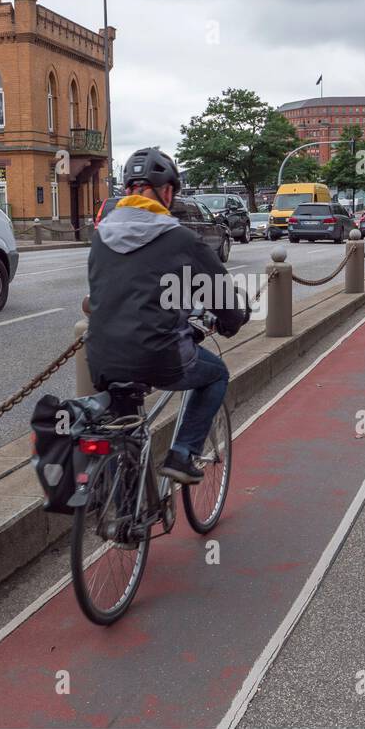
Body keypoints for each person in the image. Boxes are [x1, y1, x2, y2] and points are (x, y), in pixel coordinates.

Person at [86, 147, 249, 484]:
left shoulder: (100, 237)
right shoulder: (179, 239)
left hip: (102, 358)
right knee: (216, 374)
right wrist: (232, 320)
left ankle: (121, 510)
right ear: (168, 192)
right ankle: (183, 453)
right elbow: (220, 296)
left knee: (123, 424)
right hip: (159, 356)